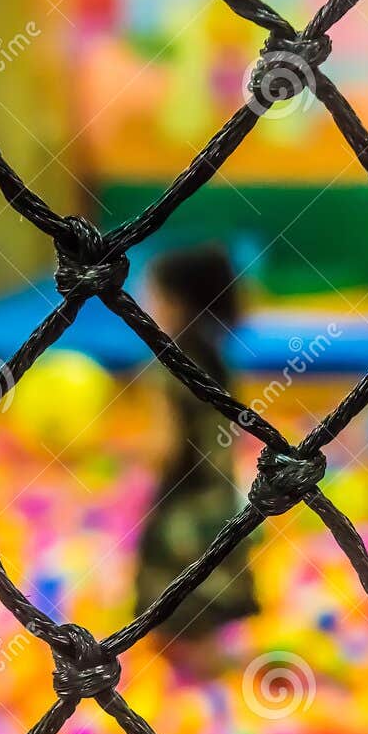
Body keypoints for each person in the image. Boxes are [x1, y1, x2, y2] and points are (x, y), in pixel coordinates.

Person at [133, 246, 260, 649]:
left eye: (151, 293)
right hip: (218, 498)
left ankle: (182, 683)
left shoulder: (166, 365)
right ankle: (212, 669)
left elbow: (164, 448)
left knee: (172, 614)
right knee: (209, 598)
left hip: (181, 507)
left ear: (175, 302)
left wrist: (104, 444)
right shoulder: (216, 359)